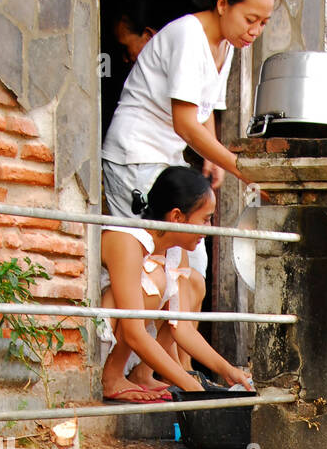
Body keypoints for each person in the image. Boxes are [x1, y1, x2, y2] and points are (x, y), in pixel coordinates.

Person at [101, 0, 278, 219]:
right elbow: (184, 124)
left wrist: (214, 157)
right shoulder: (189, 36)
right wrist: (241, 169)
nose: (255, 31)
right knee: (153, 248)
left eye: (263, 23)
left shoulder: (227, 44)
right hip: (135, 155)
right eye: (250, 19)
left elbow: (203, 109)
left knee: (188, 252)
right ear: (222, 5)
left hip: (166, 157)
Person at [99, 166, 252, 402]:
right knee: (155, 280)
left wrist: (227, 370)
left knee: (192, 282)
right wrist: (191, 387)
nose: (209, 229)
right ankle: (112, 376)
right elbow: (133, 333)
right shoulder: (128, 241)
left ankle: (142, 374)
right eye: (205, 219)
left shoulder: (174, 251)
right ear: (177, 217)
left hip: (131, 334)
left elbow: (180, 326)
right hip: (100, 336)